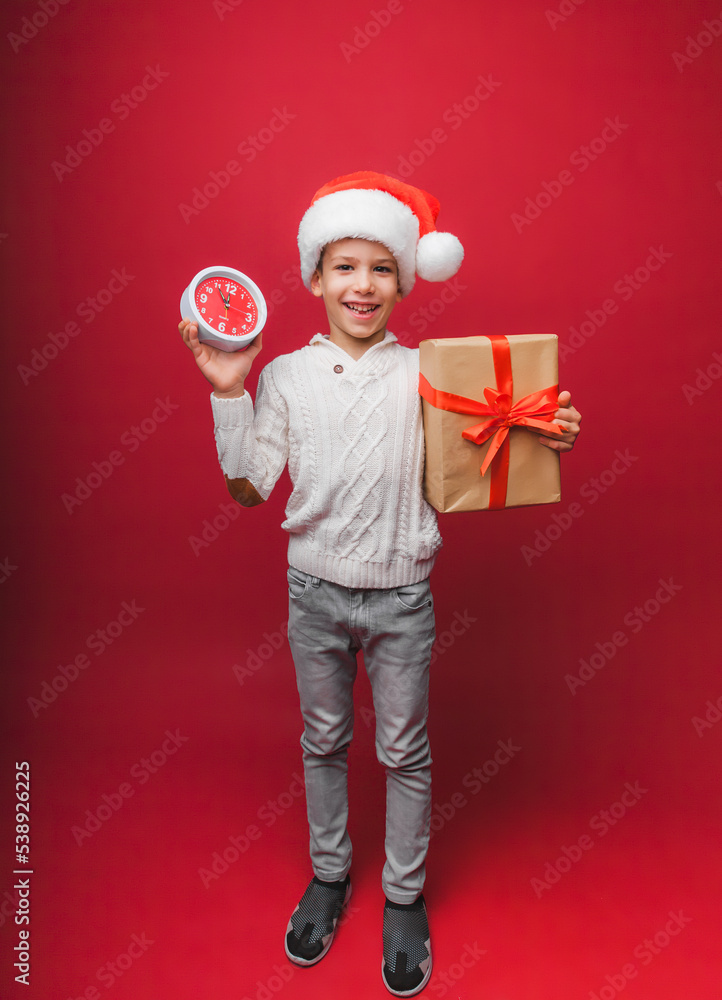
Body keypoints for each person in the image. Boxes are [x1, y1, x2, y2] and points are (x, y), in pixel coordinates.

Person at [179, 171, 581, 997]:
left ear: (404, 280)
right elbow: (252, 487)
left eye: (380, 269)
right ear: (316, 278)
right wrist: (230, 395)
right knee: (322, 740)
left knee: (404, 749)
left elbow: (484, 455)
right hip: (313, 595)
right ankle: (330, 877)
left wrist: (541, 430)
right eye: (344, 267)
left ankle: (403, 896)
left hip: (402, 599)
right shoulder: (286, 375)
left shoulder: (433, 374)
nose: (362, 284)